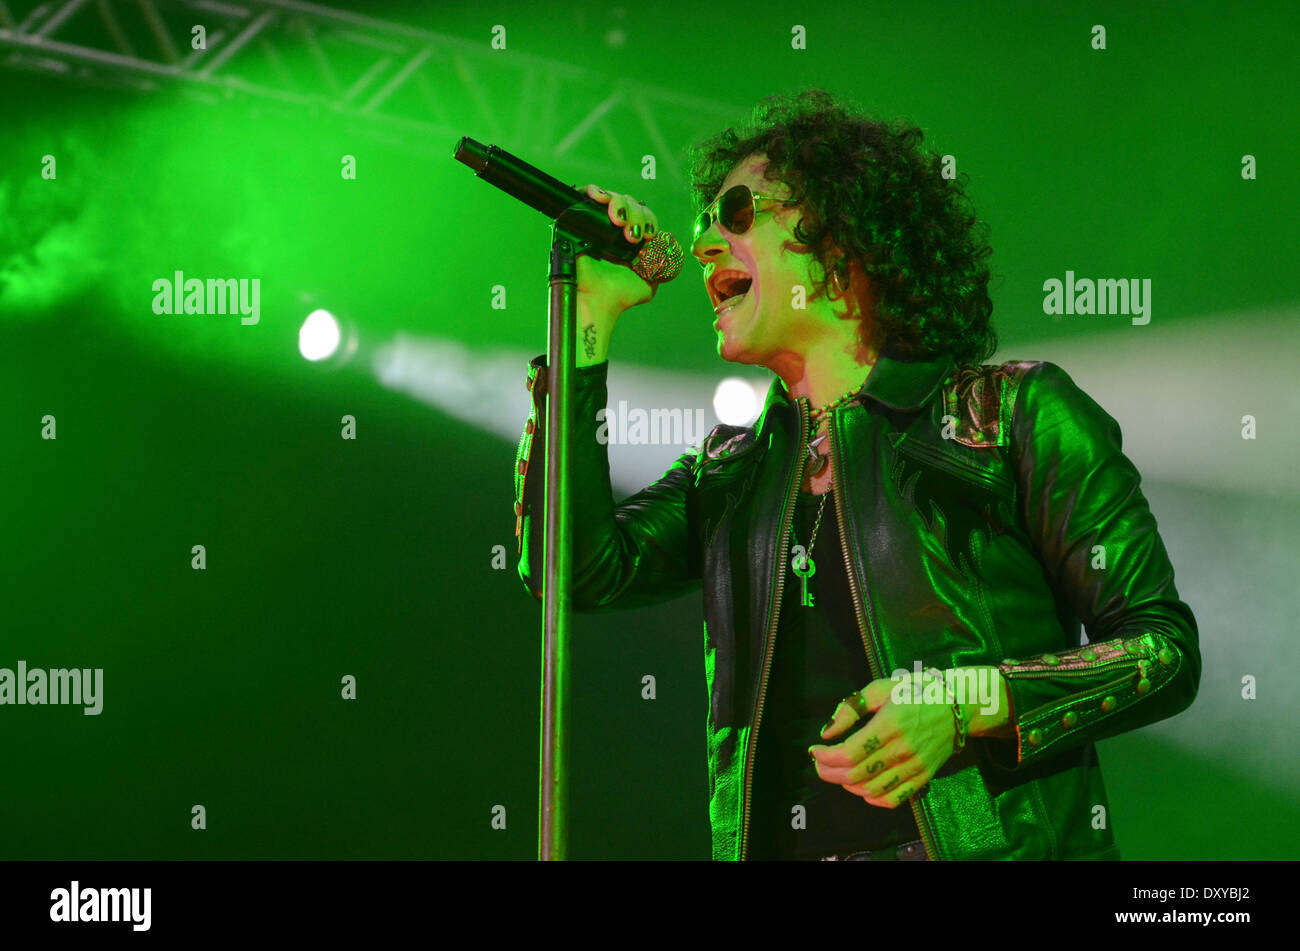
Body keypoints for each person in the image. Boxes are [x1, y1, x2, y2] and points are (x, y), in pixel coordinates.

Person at [513, 88, 1200, 860]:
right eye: (703, 223)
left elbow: (1162, 650)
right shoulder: (730, 471)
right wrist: (584, 327)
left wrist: (965, 700)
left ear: (843, 239)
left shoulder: (1012, 415)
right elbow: (570, 571)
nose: (704, 243)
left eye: (737, 213)